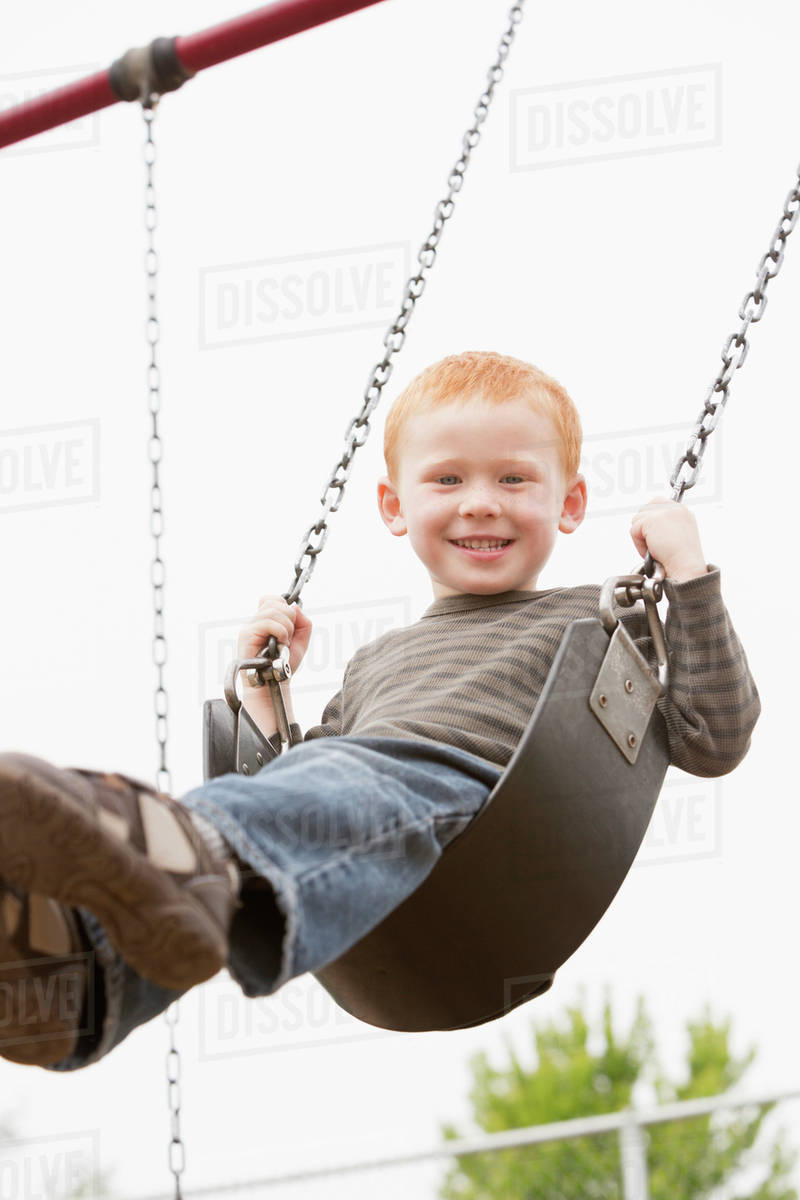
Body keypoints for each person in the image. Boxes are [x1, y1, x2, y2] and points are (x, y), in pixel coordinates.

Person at [0, 351, 760, 1071]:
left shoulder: (596, 621)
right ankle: (79, 980)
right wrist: (264, 699)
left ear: (571, 503)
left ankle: (159, 841)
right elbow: (301, 789)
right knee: (275, 839)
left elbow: (713, 736)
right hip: (379, 848)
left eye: (516, 478)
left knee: (326, 799)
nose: (481, 502)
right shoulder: (376, 663)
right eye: (448, 479)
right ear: (396, 507)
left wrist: (689, 576)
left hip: (493, 820)